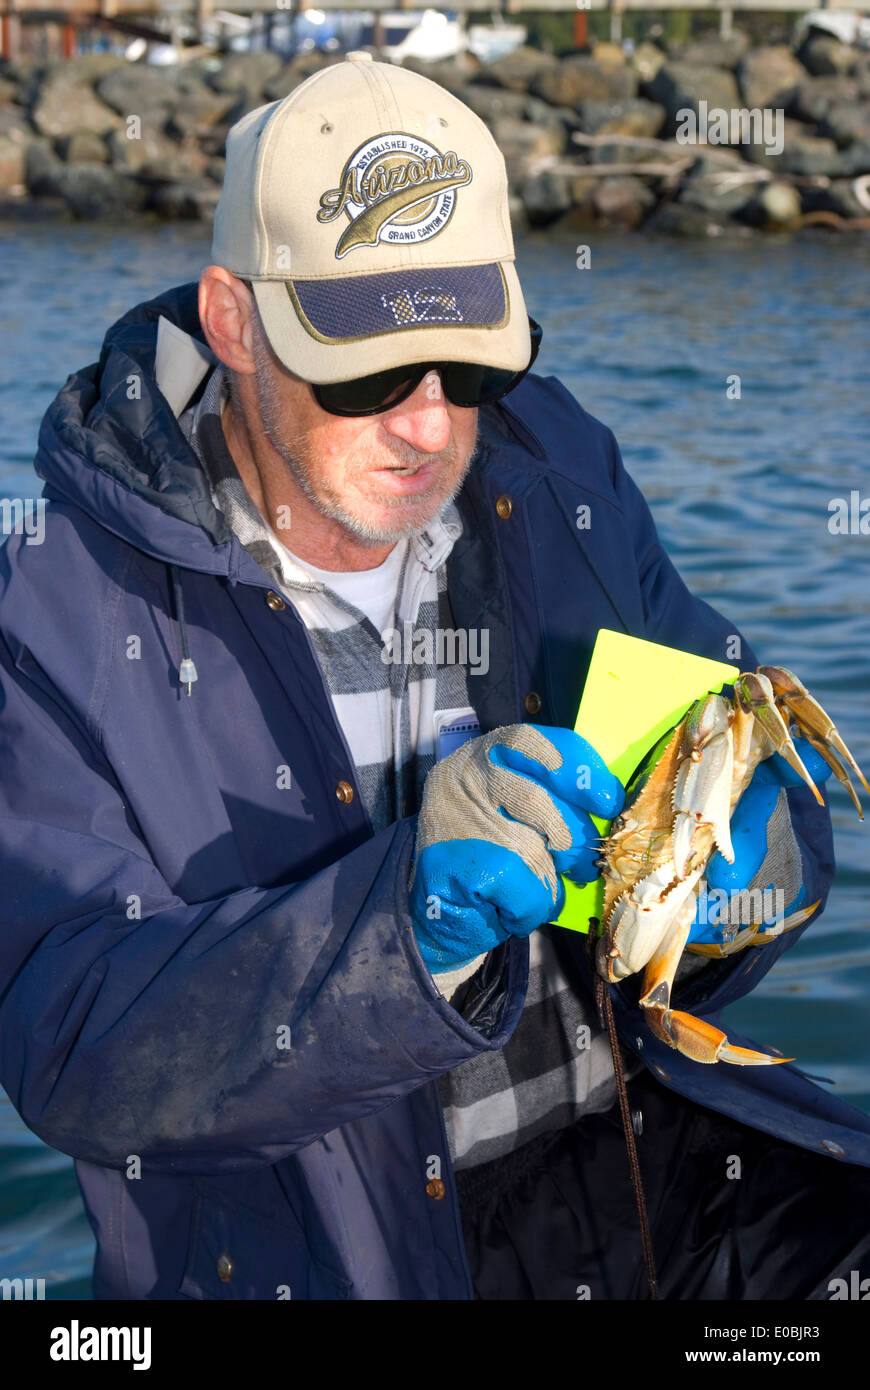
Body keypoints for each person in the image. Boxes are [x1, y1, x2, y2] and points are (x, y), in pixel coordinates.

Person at [1, 52, 869, 1302]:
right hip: (330, 1256)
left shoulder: (557, 467)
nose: (426, 423)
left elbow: (753, 758)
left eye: (467, 362)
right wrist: (397, 931)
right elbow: (73, 1044)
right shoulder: (50, 609)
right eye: (364, 367)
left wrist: (741, 870)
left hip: (658, 1160)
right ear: (234, 320)